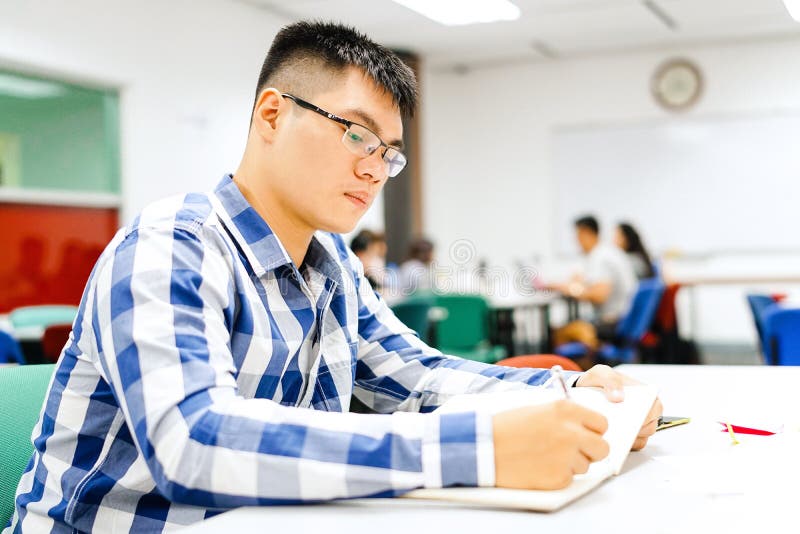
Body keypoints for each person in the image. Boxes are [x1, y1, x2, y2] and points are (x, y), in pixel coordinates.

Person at [6, 23, 660, 533]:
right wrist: (474, 447)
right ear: (270, 115)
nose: (377, 168)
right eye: (356, 134)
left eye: (391, 153)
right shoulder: (174, 244)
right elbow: (194, 441)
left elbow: (417, 379)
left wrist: (572, 394)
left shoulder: (333, 265)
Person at [552, 215, 638, 363]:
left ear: (585, 233)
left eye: (577, 235)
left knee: (559, 332)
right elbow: (590, 281)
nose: (576, 241)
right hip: (625, 319)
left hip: (612, 322)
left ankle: (577, 374)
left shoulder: (601, 257)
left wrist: (573, 290)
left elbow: (599, 295)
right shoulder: (606, 252)